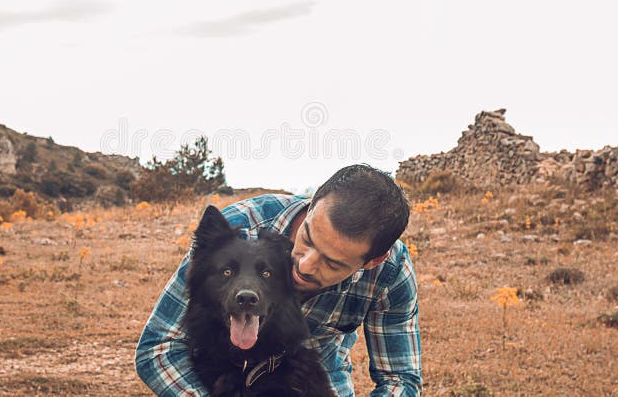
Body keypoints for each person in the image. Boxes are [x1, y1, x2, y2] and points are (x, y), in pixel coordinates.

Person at [135, 164, 422, 396]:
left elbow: (400, 379)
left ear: (372, 260)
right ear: (312, 206)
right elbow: (158, 348)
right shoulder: (239, 229)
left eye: (332, 262)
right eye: (308, 239)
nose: (306, 265)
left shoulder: (391, 273)